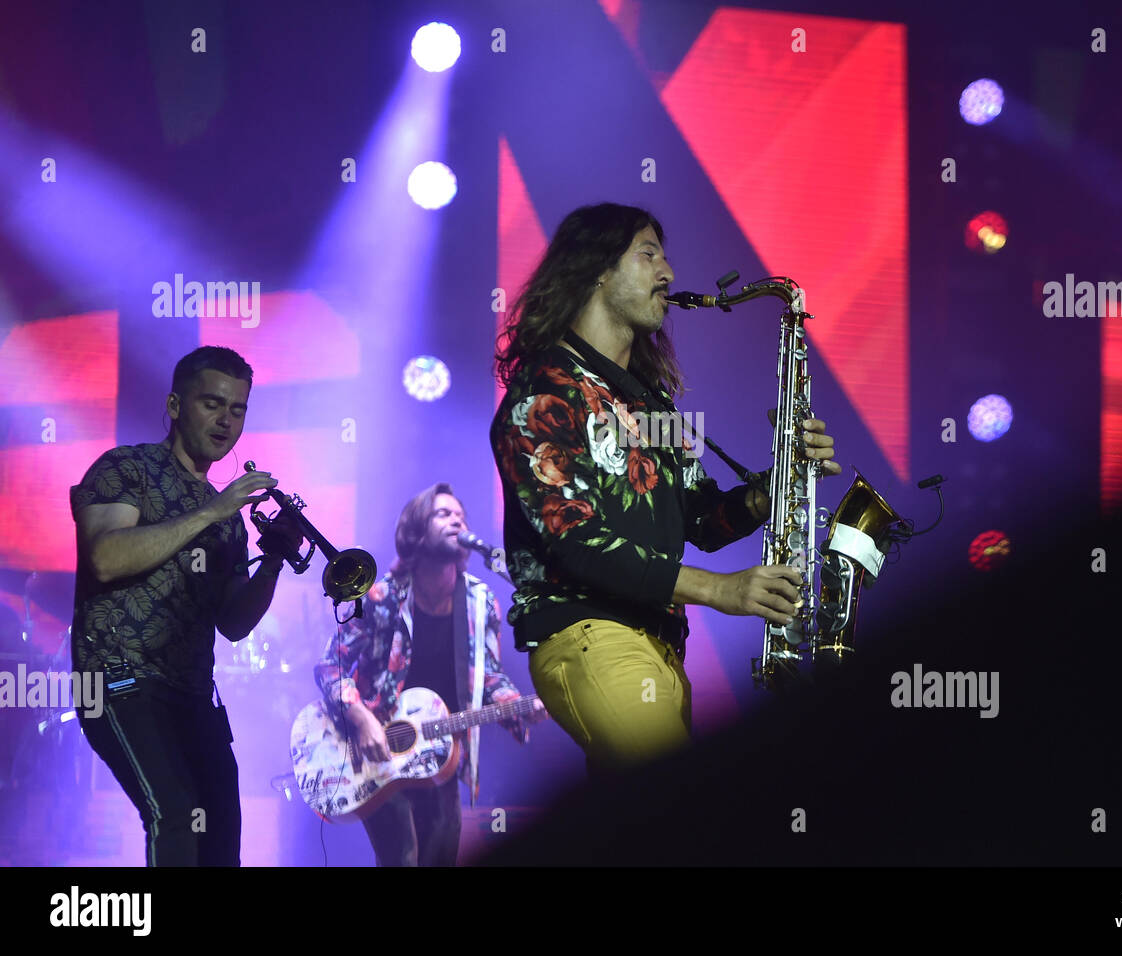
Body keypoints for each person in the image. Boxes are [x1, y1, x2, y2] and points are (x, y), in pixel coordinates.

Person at [490, 202, 840, 774]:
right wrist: (721, 591)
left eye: (665, 256)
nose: (669, 273)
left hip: (662, 650)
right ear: (597, 269)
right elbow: (577, 544)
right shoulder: (545, 393)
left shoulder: (650, 405)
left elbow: (701, 521)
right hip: (589, 633)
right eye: (648, 254)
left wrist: (777, 482)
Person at [69, 345, 299, 866]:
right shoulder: (127, 467)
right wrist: (212, 509)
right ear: (175, 406)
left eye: (238, 409)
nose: (226, 420)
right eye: (212, 404)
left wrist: (273, 560)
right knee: (173, 811)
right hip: (114, 676)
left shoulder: (229, 517)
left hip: (191, 691)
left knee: (220, 828)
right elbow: (105, 557)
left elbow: (234, 623)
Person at [314, 484, 538, 867]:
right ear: (417, 530)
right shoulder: (379, 597)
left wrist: (519, 706)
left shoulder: (481, 601)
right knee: (404, 858)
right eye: (443, 514)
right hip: (378, 756)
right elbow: (329, 666)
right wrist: (361, 718)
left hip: (441, 755)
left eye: (461, 515)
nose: (456, 520)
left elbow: (489, 676)